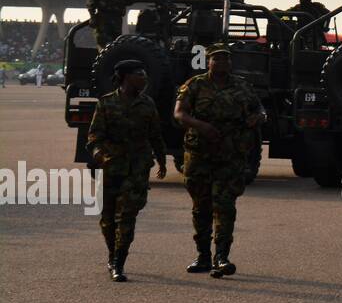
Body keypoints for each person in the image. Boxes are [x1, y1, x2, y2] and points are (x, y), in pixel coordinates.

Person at [174, 46, 266, 278]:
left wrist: (260, 116)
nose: (222, 62)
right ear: (208, 62)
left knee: (225, 206)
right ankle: (203, 256)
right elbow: (179, 113)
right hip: (200, 155)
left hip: (230, 155)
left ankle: (222, 257)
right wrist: (201, 126)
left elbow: (259, 107)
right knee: (201, 207)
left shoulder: (242, 86)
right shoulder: (194, 85)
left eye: (226, 58)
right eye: (217, 58)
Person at [86, 60, 167, 281]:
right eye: (139, 74)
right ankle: (112, 254)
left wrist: (162, 160)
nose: (144, 78)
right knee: (107, 218)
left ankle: (119, 263)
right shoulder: (106, 103)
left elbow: (155, 135)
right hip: (111, 166)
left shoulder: (147, 103)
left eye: (144, 73)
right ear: (125, 77)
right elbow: (94, 136)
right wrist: (98, 155)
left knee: (127, 216)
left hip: (137, 168)